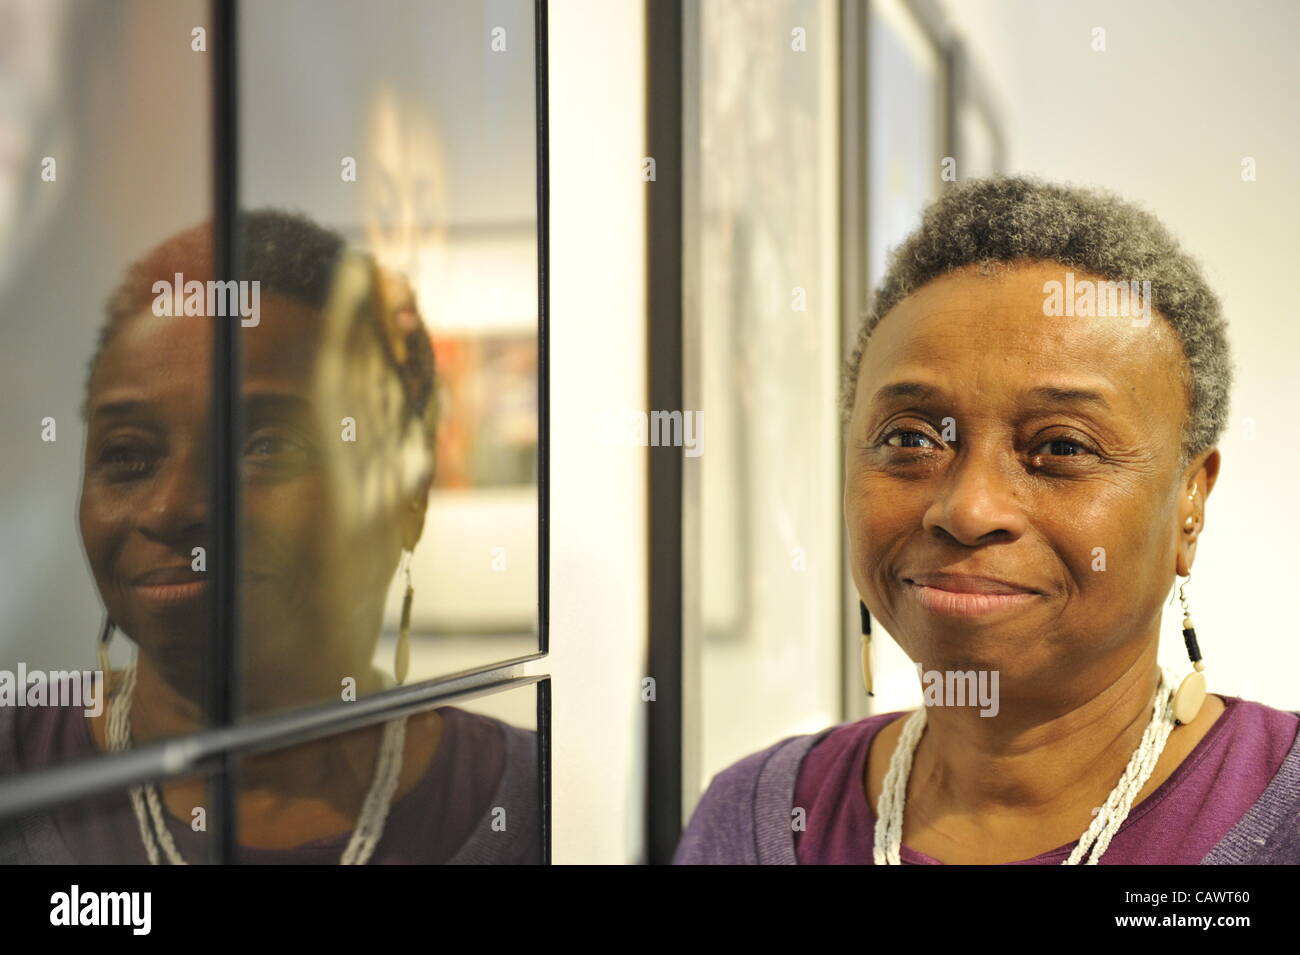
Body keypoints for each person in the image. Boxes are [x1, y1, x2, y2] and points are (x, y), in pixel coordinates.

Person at [674, 175, 1300, 865]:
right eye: (910, 438)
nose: (968, 509)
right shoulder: (756, 821)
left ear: (1191, 500)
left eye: (1062, 446)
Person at [0, 209, 540, 864]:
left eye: (265, 444)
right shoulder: (18, 772)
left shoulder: (536, 808)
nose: (172, 508)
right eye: (129, 456)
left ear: (408, 496)